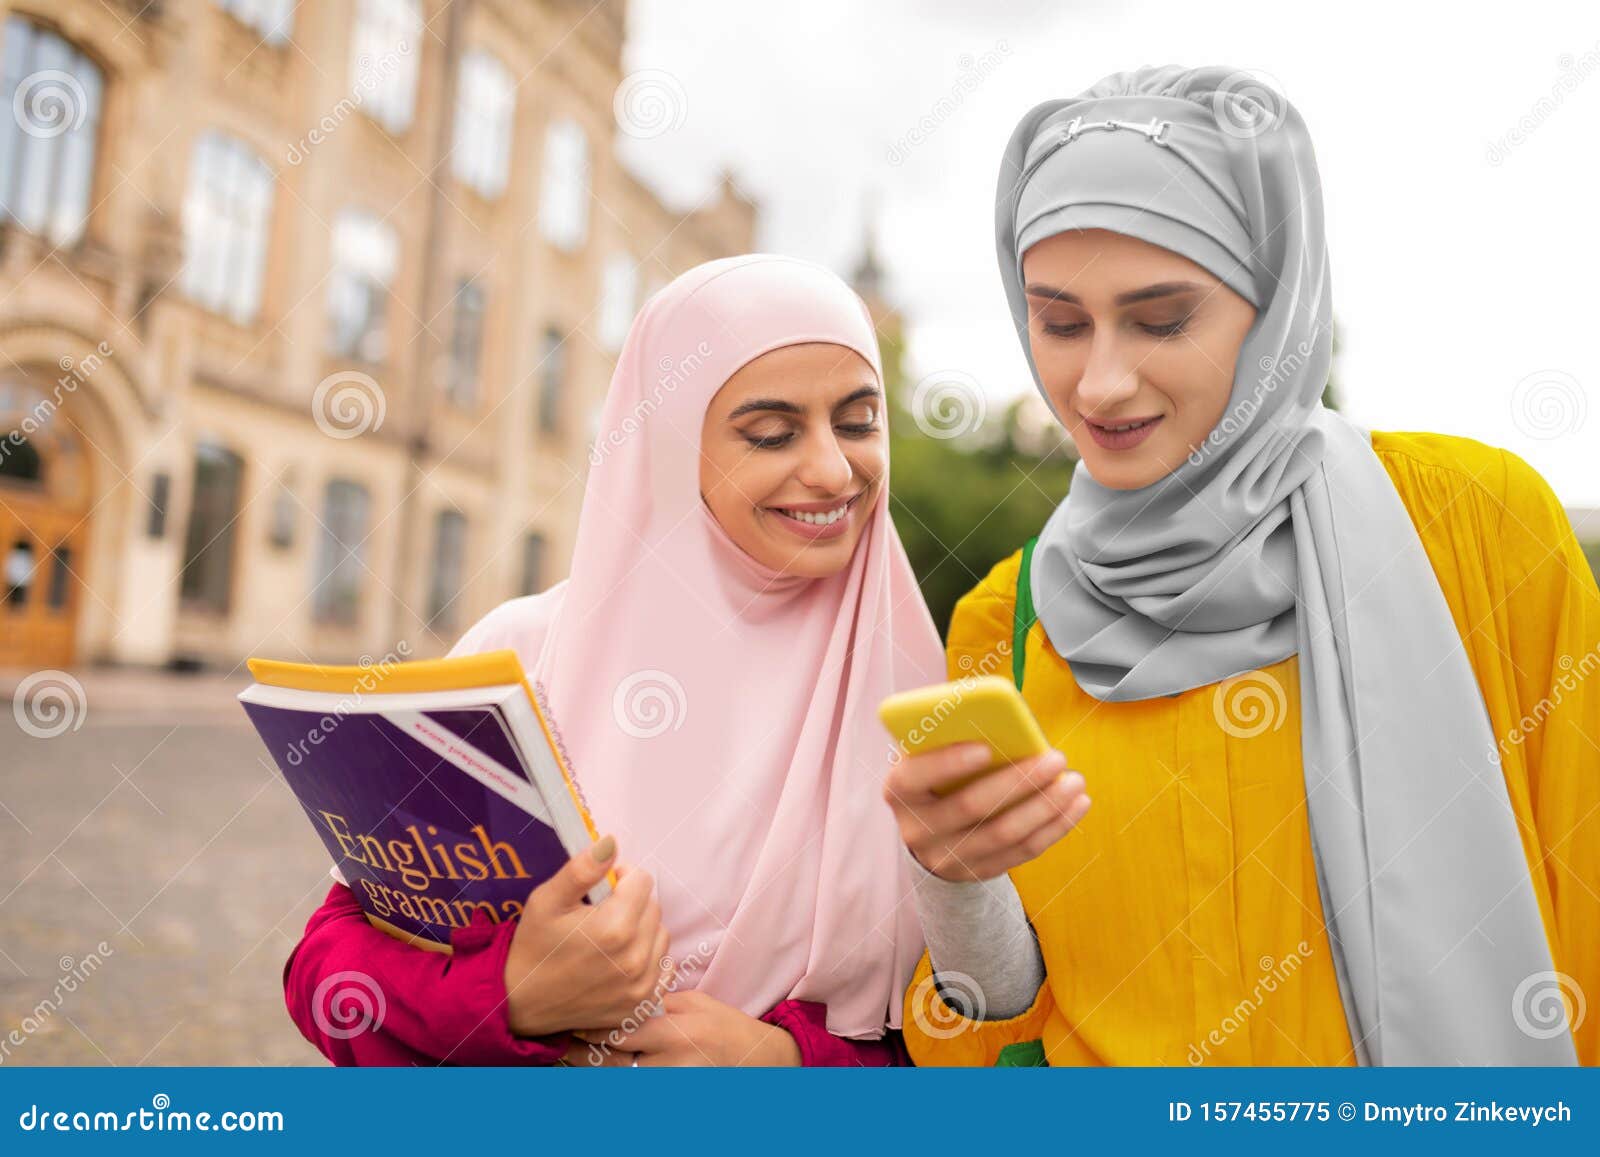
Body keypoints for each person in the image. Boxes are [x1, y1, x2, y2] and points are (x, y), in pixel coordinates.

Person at [886, 64, 1599, 1067]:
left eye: (1161, 319)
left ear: (1275, 310)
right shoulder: (1007, 619)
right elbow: (988, 1042)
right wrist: (954, 883)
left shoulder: (1478, 529)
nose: (1099, 383)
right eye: (1059, 321)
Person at [285, 254, 945, 1066]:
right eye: (772, 433)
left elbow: (987, 1040)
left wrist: (787, 1064)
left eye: (858, 422)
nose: (833, 469)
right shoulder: (518, 658)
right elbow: (328, 970)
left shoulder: (924, 700)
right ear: (670, 445)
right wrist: (511, 996)